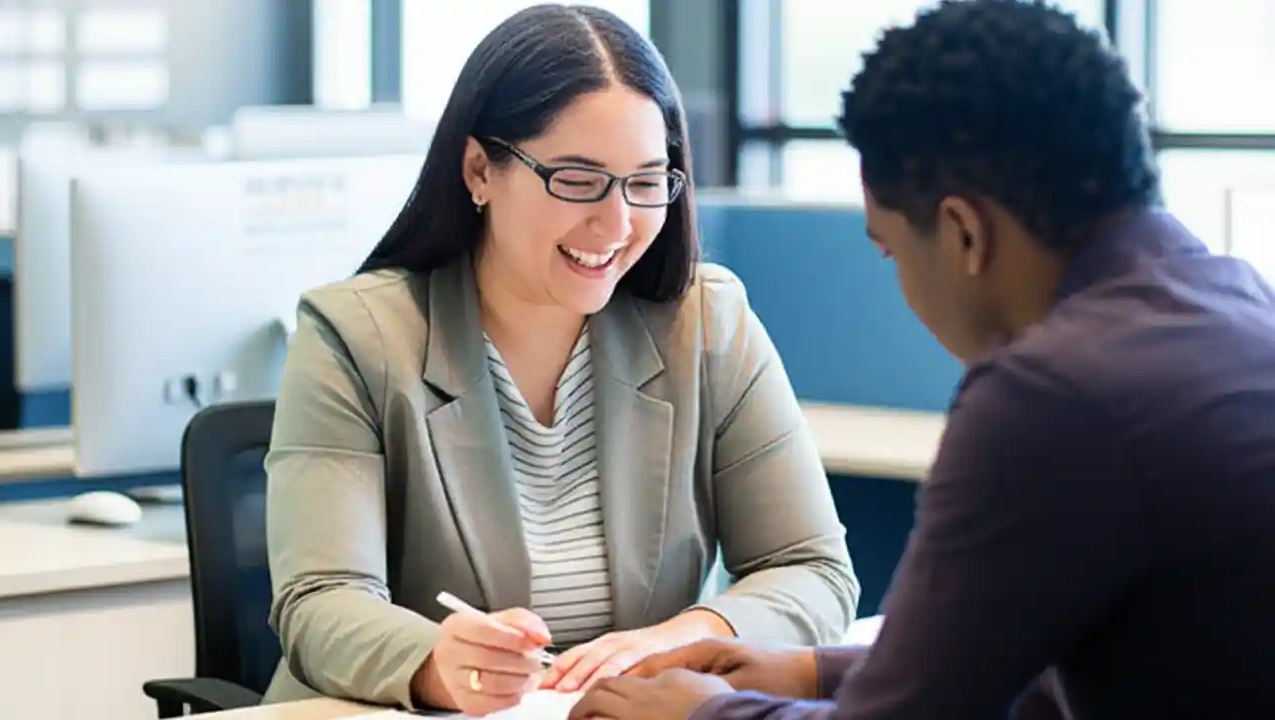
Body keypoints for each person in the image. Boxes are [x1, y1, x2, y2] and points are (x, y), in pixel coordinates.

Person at [566, 1, 1275, 718]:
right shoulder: (1238, 303)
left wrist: (700, 714)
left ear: (964, 234)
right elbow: (1051, 652)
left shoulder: (1053, 393)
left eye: (892, 250)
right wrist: (813, 672)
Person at [262, 4, 859, 716]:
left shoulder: (706, 324)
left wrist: (684, 638)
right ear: (479, 170)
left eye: (646, 182)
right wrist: (435, 663)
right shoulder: (357, 336)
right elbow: (321, 599)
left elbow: (813, 569)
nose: (617, 224)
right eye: (577, 180)